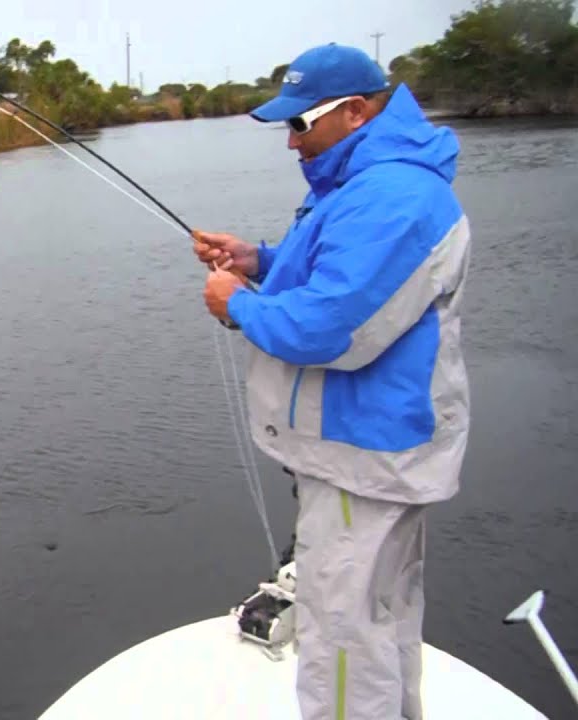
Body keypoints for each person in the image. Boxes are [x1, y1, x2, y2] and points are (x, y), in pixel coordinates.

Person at [193, 43, 471, 720]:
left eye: (298, 124)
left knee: (343, 639)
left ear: (352, 112)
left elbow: (333, 330)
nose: (290, 143)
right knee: (381, 621)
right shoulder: (366, 185)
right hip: (364, 452)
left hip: (362, 458)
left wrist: (239, 303)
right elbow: (336, 274)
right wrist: (257, 260)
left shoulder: (395, 196)